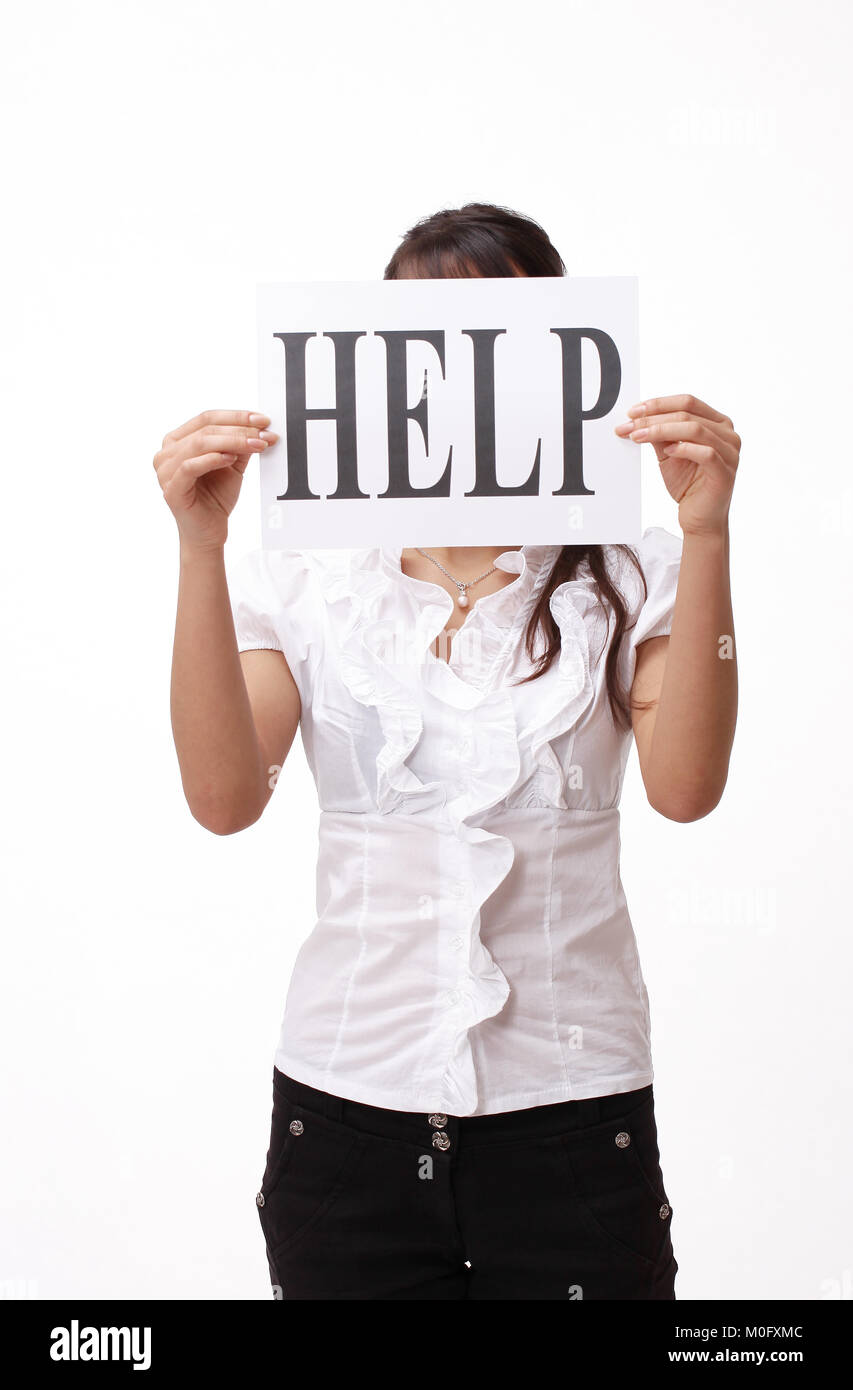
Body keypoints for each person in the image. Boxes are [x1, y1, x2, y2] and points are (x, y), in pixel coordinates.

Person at [155, 203, 740, 1300]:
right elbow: (227, 795)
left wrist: (706, 535)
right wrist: (200, 547)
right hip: (344, 1114)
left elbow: (686, 788)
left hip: (572, 1118)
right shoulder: (316, 576)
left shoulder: (627, 567)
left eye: (506, 336)